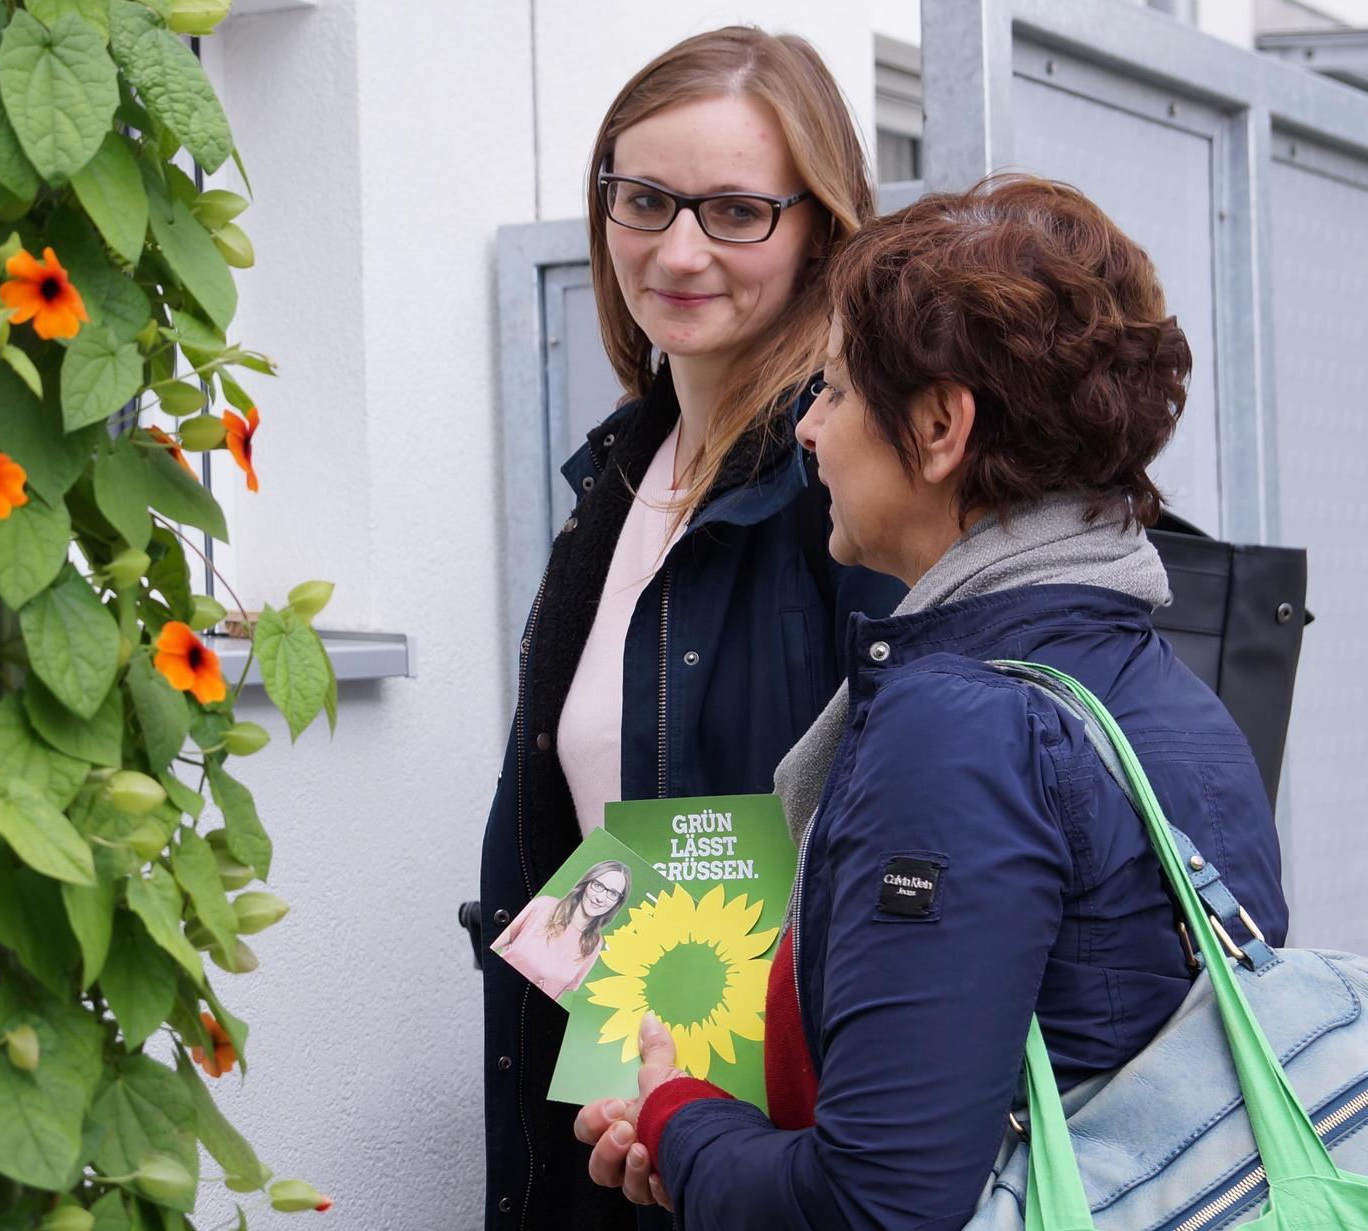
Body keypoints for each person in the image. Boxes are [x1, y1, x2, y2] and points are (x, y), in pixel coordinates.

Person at [573, 174, 1292, 1230]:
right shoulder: (1155, 682)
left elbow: (878, 1206)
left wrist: (681, 1123)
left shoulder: (956, 727)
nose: (811, 430)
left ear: (941, 424)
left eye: (833, 391)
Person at [470, 26, 905, 1231]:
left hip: (769, 1152)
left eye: (734, 212)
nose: (676, 249)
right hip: (616, 1122)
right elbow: (620, 834)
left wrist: (720, 1117)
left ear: (820, 223)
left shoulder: (846, 490)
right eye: (644, 199)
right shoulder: (621, 475)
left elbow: (904, 837)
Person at [492, 860, 631, 1001]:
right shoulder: (544, 905)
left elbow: (559, 991)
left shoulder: (595, 943)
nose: (600, 898)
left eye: (613, 893)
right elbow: (493, 942)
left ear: (618, 902)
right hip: (497, 991)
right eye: (598, 885)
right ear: (587, 883)